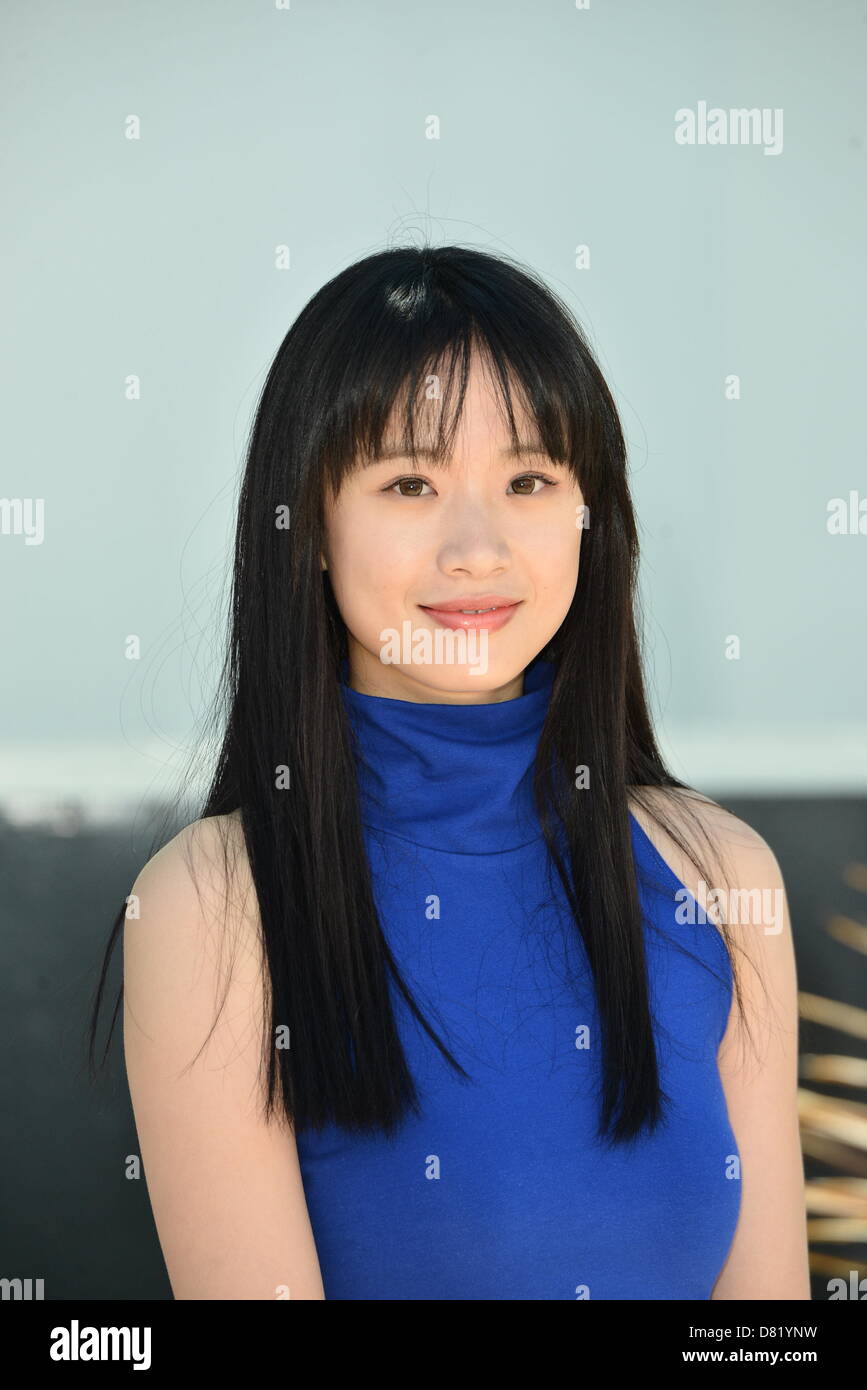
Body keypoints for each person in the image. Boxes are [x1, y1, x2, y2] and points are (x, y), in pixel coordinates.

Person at [89, 245, 810, 1300]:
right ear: (313, 528)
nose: (477, 547)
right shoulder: (211, 905)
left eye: (528, 479)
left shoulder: (722, 875)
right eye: (411, 481)